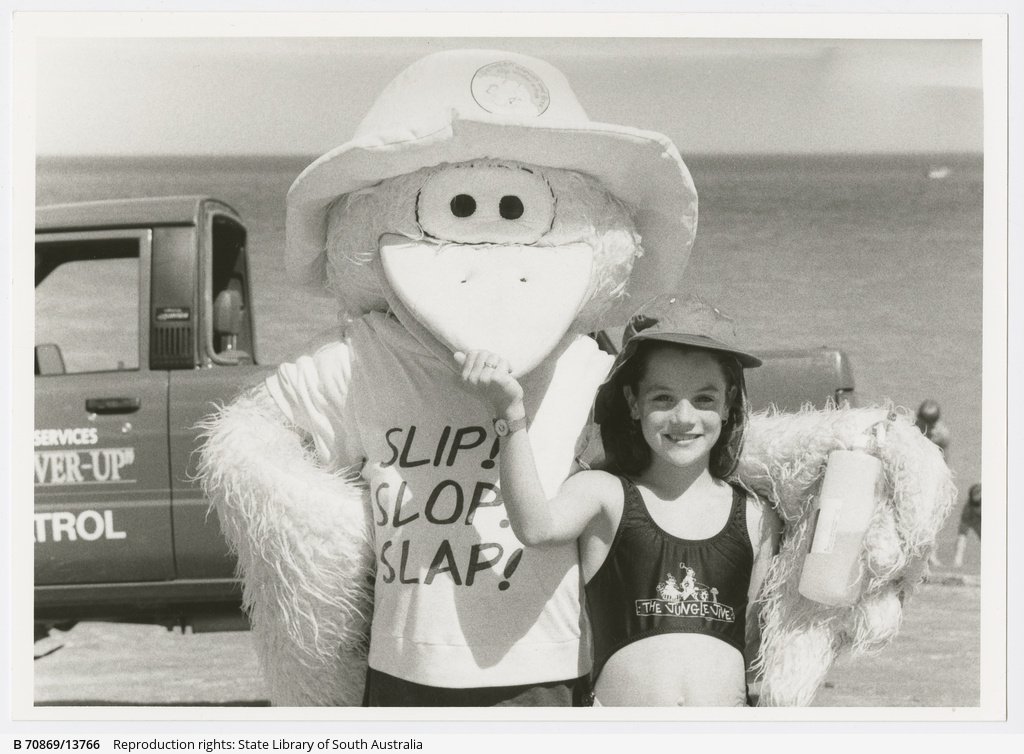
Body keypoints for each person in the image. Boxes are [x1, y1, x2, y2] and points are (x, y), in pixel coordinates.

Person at [456, 294, 781, 706]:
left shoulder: (755, 516)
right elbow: (535, 528)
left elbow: (758, 644)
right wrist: (510, 415)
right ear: (632, 402)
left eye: (704, 399)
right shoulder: (605, 495)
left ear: (729, 403)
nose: (684, 418)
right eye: (663, 398)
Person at [954, 483, 981, 568]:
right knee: (961, 540)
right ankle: (957, 561)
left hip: (979, 521)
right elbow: (964, 520)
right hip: (969, 519)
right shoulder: (968, 506)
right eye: (976, 494)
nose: (977, 496)